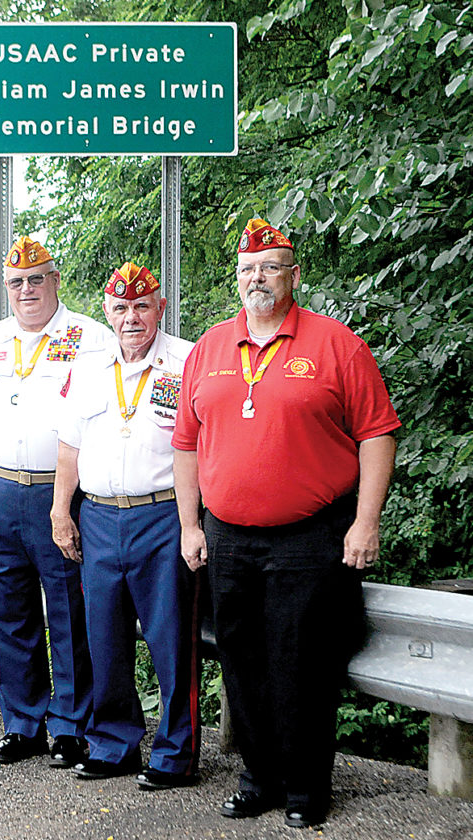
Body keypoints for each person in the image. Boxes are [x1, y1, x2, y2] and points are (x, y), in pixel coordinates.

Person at [172, 218, 400, 828]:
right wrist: (190, 525)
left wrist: (365, 521)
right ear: (237, 280)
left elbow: (377, 434)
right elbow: (186, 446)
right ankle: (258, 778)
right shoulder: (210, 349)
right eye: (248, 269)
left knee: (303, 660)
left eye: (271, 266)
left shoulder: (336, 344)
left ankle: (305, 787)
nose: (258, 277)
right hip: (227, 537)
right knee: (241, 659)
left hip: (311, 536)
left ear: (293, 275)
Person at [0, 235, 111, 768]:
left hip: (60, 496)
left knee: (68, 612)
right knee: (6, 612)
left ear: (55, 280)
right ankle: (22, 722)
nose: (26, 289)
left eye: (36, 278)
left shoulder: (92, 338)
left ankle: (70, 724)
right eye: (16, 282)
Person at [50, 262, 202, 790]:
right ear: (108, 312)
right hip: (97, 516)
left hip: (162, 515)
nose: (131, 317)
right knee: (104, 637)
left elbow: (206, 443)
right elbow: (68, 447)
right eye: (120, 308)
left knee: (170, 639)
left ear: (159, 307)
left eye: (142, 306)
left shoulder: (188, 360)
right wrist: (59, 512)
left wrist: (192, 522)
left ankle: (176, 753)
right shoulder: (88, 366)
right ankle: (114, 744)